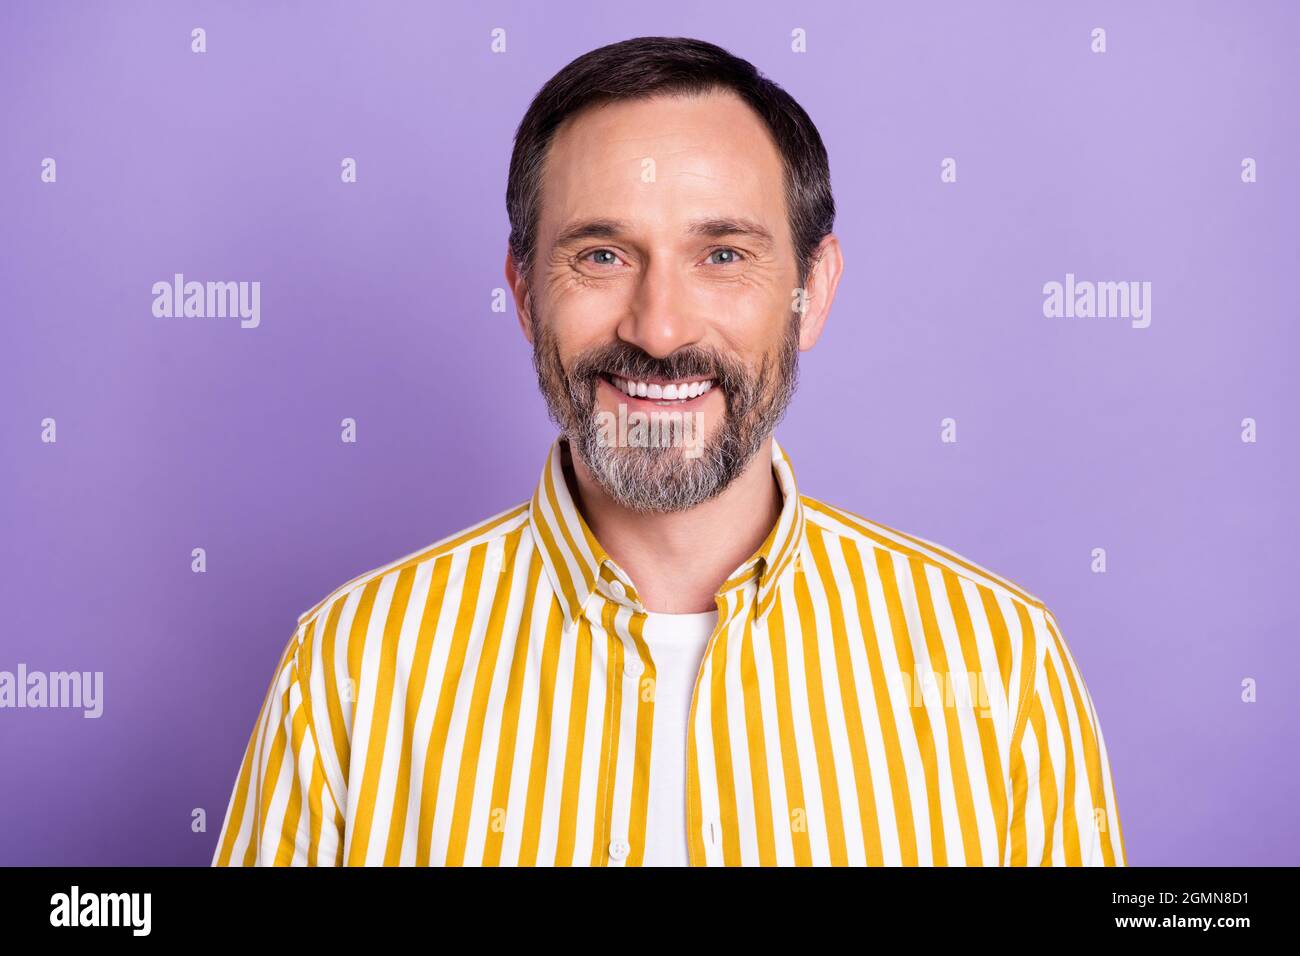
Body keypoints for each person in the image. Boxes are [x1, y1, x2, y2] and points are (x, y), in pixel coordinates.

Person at [213, 36, 1125, 867]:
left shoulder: (1002, 663)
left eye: (723, 255)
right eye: (602, 256)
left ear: (813, 290)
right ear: (525, 294)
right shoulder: (350, 665)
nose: (658, 329)